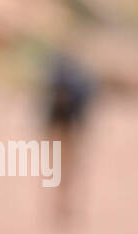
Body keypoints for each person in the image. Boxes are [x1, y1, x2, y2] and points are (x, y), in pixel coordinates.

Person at [41, 50, 97, 223]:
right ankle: (61, 205)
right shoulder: (76, 87)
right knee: (63, 170)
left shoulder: (63, 88)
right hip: (63, 130)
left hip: (66, 130)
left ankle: (63, 205)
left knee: (65, 170)